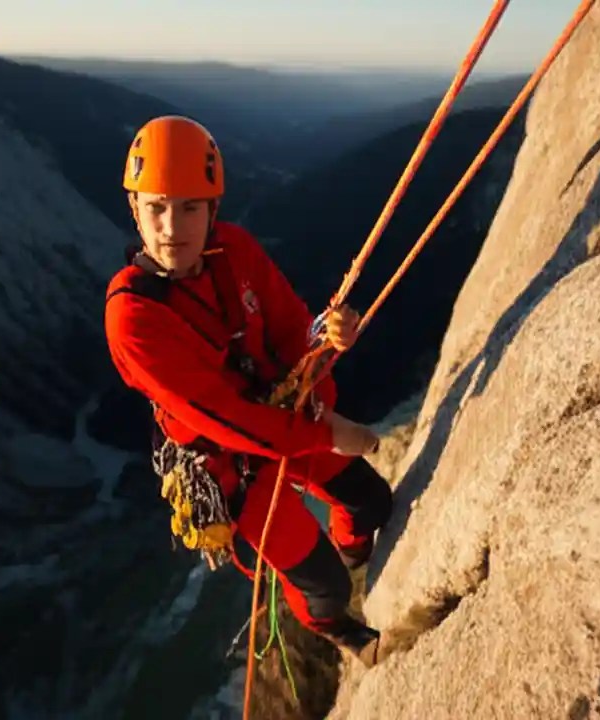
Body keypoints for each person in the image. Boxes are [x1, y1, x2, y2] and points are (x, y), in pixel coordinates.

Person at [103, 115, 394, 667]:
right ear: (134, 211)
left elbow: (289, 327)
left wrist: (325, 341)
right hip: (228, 471)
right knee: (323, 585)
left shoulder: (233, 249)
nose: (171, 226)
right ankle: (333, 625)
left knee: (371, 501)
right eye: (156, 207)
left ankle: (360, 562)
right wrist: (327, 433)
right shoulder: (133, 318)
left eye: (190, 206)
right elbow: (225, 419)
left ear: (213, 210)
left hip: (284, 416)